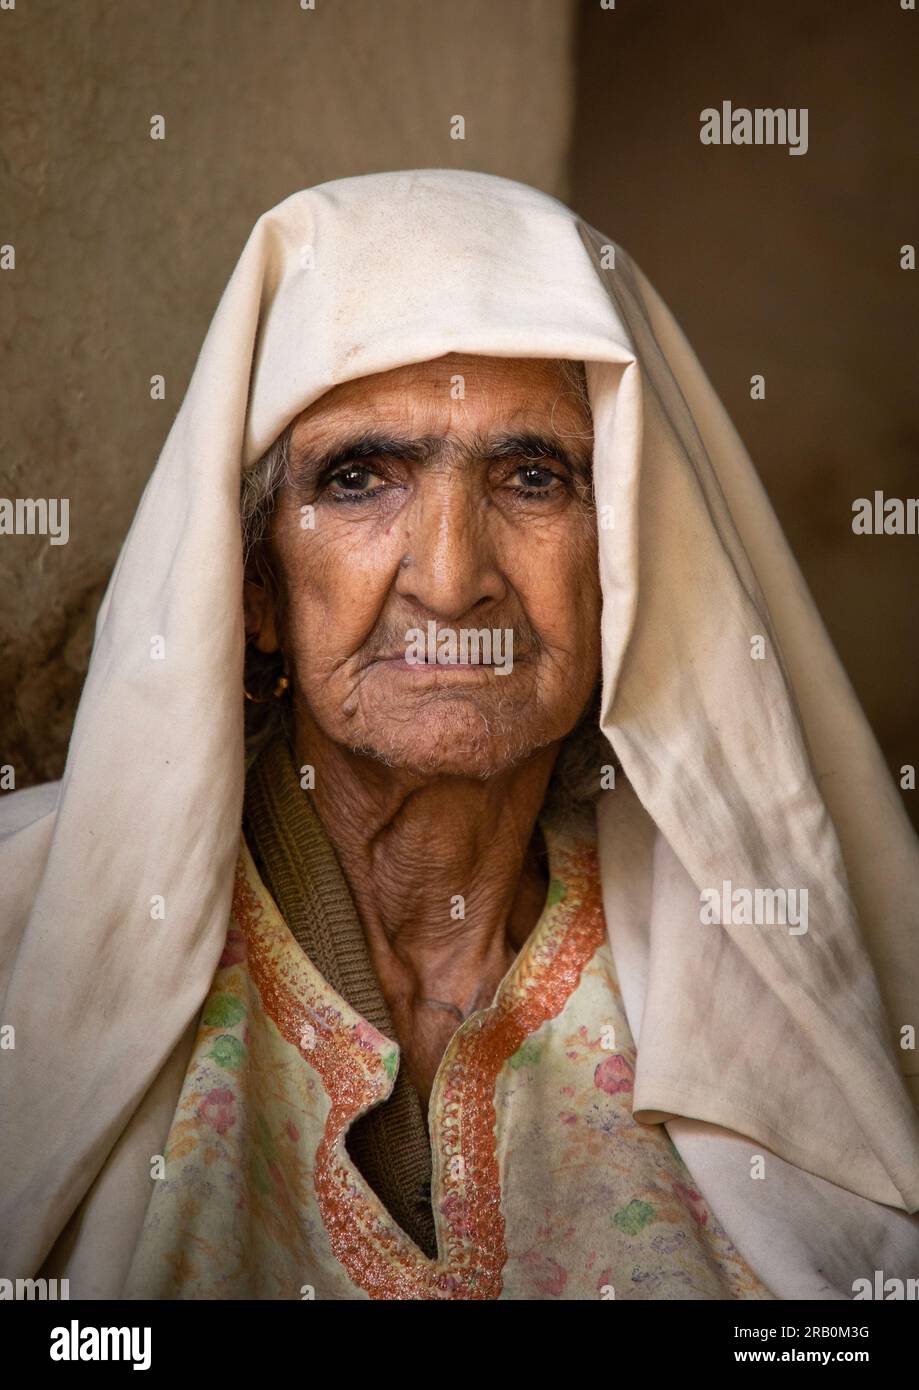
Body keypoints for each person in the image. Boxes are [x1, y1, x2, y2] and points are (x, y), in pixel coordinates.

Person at [0, 169, 917, 1300]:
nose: (449, 579)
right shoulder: (21, 944)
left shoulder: (750, 970)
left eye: (531, 477)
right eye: (359, 480)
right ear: (253, 588)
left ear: (622, 568)